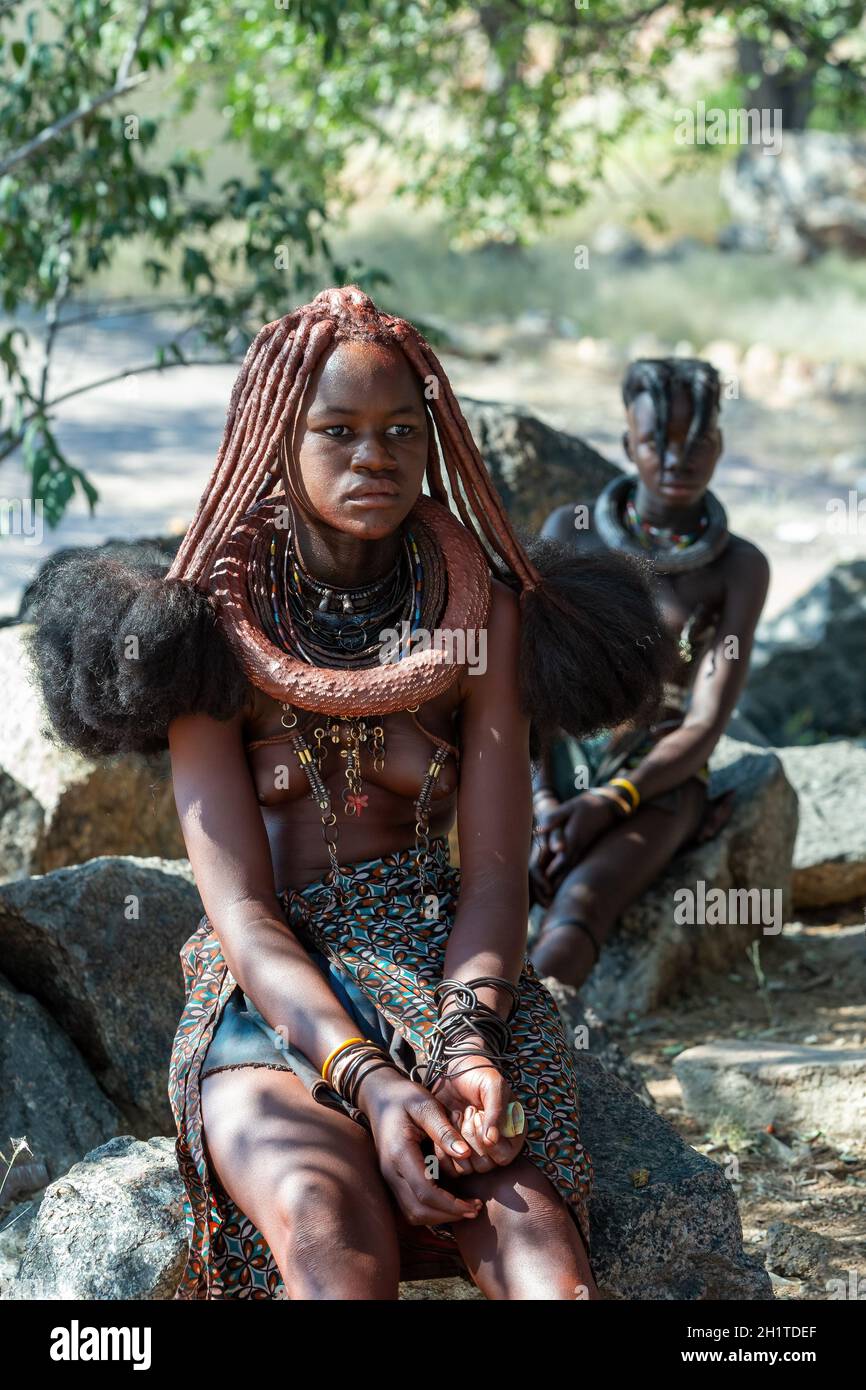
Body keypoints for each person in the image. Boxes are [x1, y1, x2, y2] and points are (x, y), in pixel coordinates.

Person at [27, 287, 669, 1301]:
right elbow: (240, 912)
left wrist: (466, 1042)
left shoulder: (479, 614)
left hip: (452, 977)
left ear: (431, 440)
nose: (373, 456)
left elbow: (496, 872)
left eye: (399, 432)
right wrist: (369, 1083)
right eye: (337, 430)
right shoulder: (203, 628)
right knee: (335, 1248)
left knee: (545, 1261)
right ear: (274, 440)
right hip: (270, 1005)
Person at [529, 357, 770, 989]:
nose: (675, 459)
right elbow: (526, 684)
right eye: (656, 441)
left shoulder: (738, 568)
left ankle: (516, 1050)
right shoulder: (570, 533)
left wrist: (612, 802)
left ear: (717, 447)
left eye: (695, 443)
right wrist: (542, 798)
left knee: (580, 905)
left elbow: (705, 723)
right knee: (501, 887)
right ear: (628, 444)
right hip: (551, 765)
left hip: (657, 781)